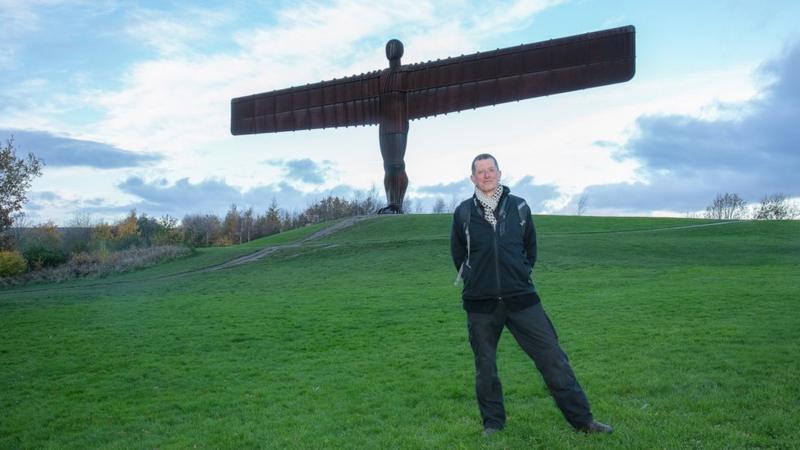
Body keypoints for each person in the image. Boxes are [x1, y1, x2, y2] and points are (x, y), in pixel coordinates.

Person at [450, 153, 612, 436]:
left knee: (553, 359)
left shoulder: (519, 207)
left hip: (522, 300)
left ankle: (583, 421)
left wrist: (519, 274)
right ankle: (493, 424)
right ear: (472, 178)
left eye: (491, 170)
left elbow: (530, 250)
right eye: (480, 171)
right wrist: (475, 278)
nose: (486, 175)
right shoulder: (463, 212)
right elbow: (459, 255)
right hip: (481, 305)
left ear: (499, 173)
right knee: (485, 367)